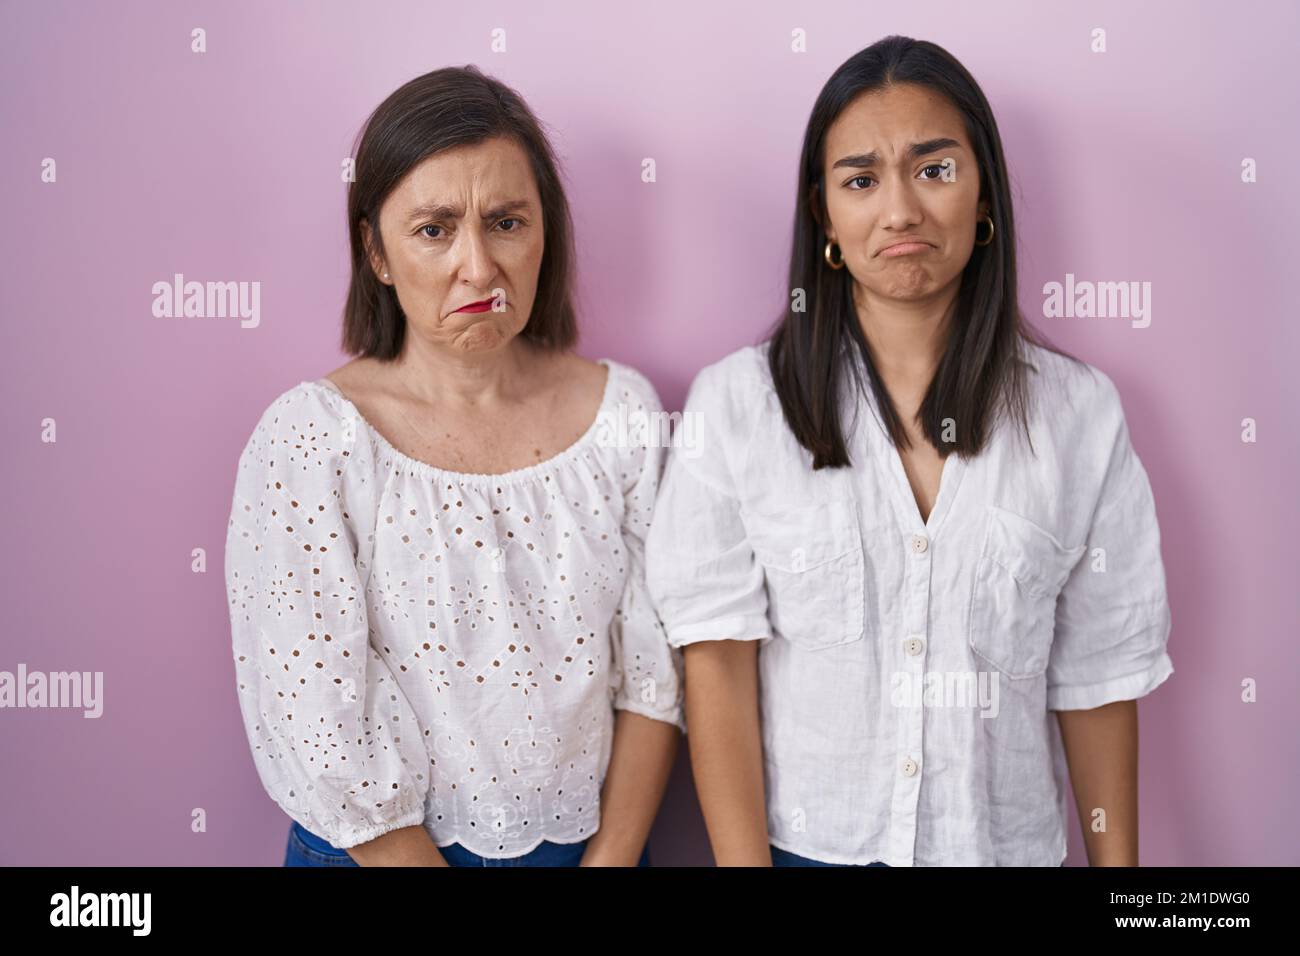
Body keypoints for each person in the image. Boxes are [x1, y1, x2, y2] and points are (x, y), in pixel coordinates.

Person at [645, 36, 1172, 867]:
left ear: (984, 194)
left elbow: (1100, 681)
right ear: (826, 217)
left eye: (934, 170)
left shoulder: (1079, 417)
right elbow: (717, 672)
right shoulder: (741, 407)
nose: (900, 211)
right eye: (860, 180)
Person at [225, 65, 683, 868]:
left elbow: (653, 674)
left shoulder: (626, 419)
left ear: (548, 232)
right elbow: (319, 724)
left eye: (506, 223)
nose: (478, 267)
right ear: (376, 250)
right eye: (434, 229)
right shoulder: (314, 442)